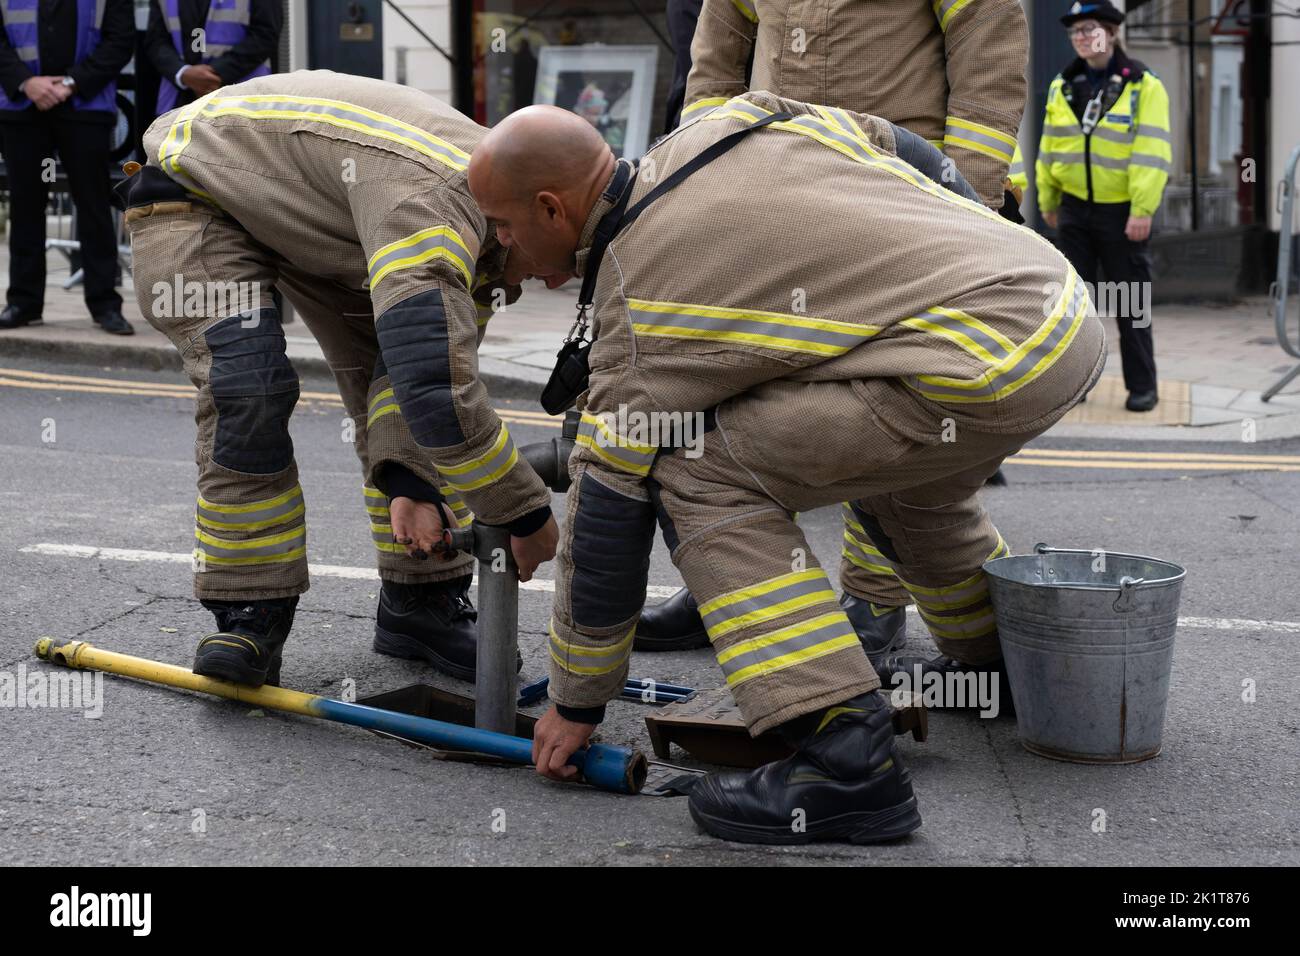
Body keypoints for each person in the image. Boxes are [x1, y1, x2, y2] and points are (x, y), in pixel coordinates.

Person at [468, 95, 1105, 843]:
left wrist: (576, 701)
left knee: (690, 468)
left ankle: (844, 757)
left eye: (503, 225)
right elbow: (900, 144)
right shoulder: (731, 123)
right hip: (1058, 311)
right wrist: (983, 238)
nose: (502, 244)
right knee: (895, 475)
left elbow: (609, 509)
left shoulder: (639, 297)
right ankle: (997, 664)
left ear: (551, 208)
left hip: (975, 368)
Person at [123, 71, 559, 688]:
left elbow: (417, 379)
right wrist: (523, 513)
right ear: (545, 209)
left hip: (327, 212)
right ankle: (251, 612)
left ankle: (419, 602)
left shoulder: (492, 218)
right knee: (249, 388)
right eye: (560, 266)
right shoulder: (432, 205)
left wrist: (409, 483)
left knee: (399, 381)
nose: (555, 282)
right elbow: (435, 387)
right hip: (201, 187)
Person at [637, 0, 1029, 659]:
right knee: (744, 393)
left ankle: (873, 598)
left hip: (898, 200)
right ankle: (726, 584)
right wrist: (705, 180)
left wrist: (963, 198)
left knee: (881, 399)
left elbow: (988, 51)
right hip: (772, 196)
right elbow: (714, 63)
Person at [1036, 0, 1170, 413]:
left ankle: (1142, 387)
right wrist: (1048, 199)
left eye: (1089, 28)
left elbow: (1151, 152)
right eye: (1074, 31)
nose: (1080, 37)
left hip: (1122, 212)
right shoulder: (1064, 85)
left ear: (1111, 33)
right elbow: (1049, 146)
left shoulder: (1142, 85)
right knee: (1075, 305)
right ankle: (1077, 385)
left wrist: (1142, 209)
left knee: (1130, 303)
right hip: (1074, 209)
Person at [0, 0, 135, 335]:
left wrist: (72, 83)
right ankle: (23, 303)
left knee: (93, 206)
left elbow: (121, 40)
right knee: (25, 206)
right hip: (22, 107)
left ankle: (105, 305)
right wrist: (26, 82)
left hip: (86, 106)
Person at [143, 0, 281, 117]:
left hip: (241, 96)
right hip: (180, 100)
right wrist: (182, 72)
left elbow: (266, 34)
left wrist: (214, 74)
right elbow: (155, 40)